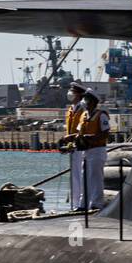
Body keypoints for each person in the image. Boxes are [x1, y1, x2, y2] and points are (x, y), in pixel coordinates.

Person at [76, 89, 113, 210]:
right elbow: (79, 133)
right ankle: (83, 204)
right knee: (84, 177)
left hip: (97, 150)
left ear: (92, 101)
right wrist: (69, 139)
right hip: (86, 150)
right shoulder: (84, 115)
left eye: (86, 99)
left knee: (96, 178)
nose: (84, 102)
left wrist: (92, 138)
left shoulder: (101, 115)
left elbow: (106, 133)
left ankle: (97, 204)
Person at [60, 82, 87, 210]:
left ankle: (82, 203)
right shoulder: (71, 109)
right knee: (74, 176)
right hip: (72, 146)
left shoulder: (83, 109)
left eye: (73, 92)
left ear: (79, 95)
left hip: (80, 145)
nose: (70, 94)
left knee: (81, 175)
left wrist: (72, 138)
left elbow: (82, 128)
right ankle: (75, 203)